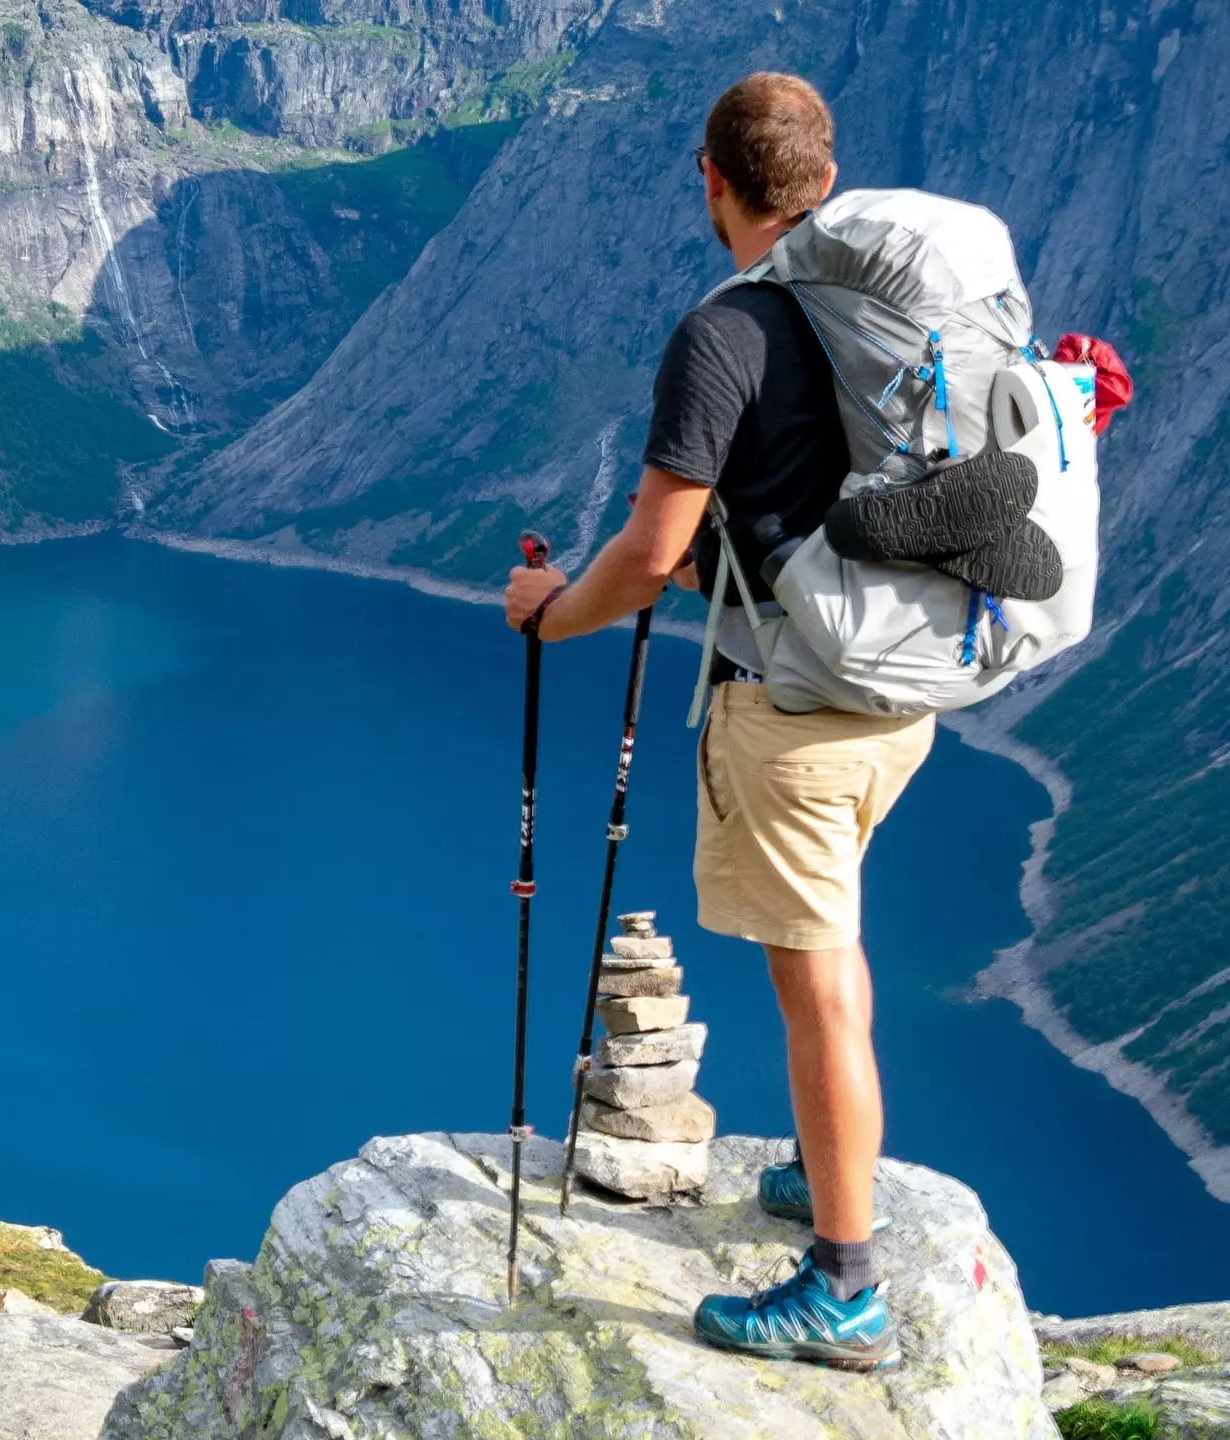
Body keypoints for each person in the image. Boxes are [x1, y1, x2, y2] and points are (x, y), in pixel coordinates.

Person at [501, 71, 922, 1372]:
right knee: (833, 954)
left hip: (795, 714)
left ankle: (845, 1288)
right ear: (824, 180)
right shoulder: (879, 307)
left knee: (812, 992)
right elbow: (794, 514)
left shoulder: (728, 333)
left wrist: (548, 612)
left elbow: (651, 546)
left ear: (712, 181)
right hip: (897, 691)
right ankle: (822, 1168)